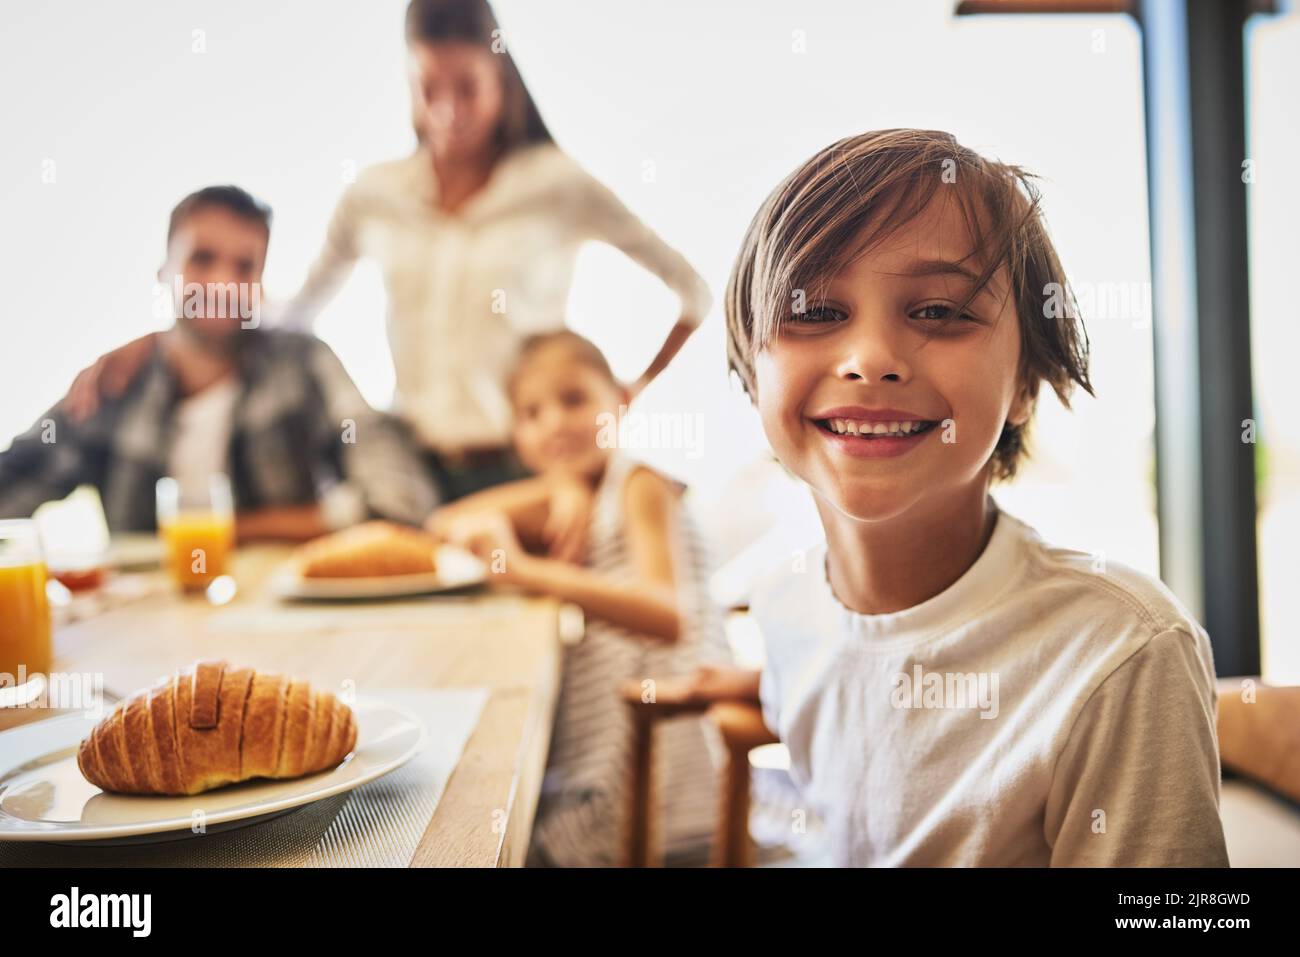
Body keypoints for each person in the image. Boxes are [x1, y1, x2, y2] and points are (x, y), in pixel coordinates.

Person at [676, 129, 1229, 867]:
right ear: (752, 365)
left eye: (938, 312)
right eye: (815, 311)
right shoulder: (786, 609)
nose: (870, 358)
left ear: (1026, 381)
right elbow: (869, 678)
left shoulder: (1121, 655)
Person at [62, 0, 713, 503]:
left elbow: (692, 291)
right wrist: (160, 340)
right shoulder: (375, 195)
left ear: (502, 76)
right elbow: (291, 313)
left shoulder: (556, 184)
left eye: (469, 86)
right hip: (411, 470)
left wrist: (630, 388)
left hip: (529, 468)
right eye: (429, 86)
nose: (448, 109)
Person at [427, 330, 726, 866]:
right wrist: (556, 488)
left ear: (621, 401)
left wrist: (526, 571)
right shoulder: (583, 492)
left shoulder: (639, 480)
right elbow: (442, 524)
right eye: (532, 413)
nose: (555, 423)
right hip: (620, 739)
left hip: (663, 752)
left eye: (574, 400)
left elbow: (667, 613)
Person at [0, 186, 436, 539]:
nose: (223, 283)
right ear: (163, 271)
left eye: (244, 266)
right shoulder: (115, 383)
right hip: (141, 630)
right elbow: (14, 483)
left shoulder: (303, 365)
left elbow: (400, 498)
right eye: (202, 259)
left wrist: (232, 530)